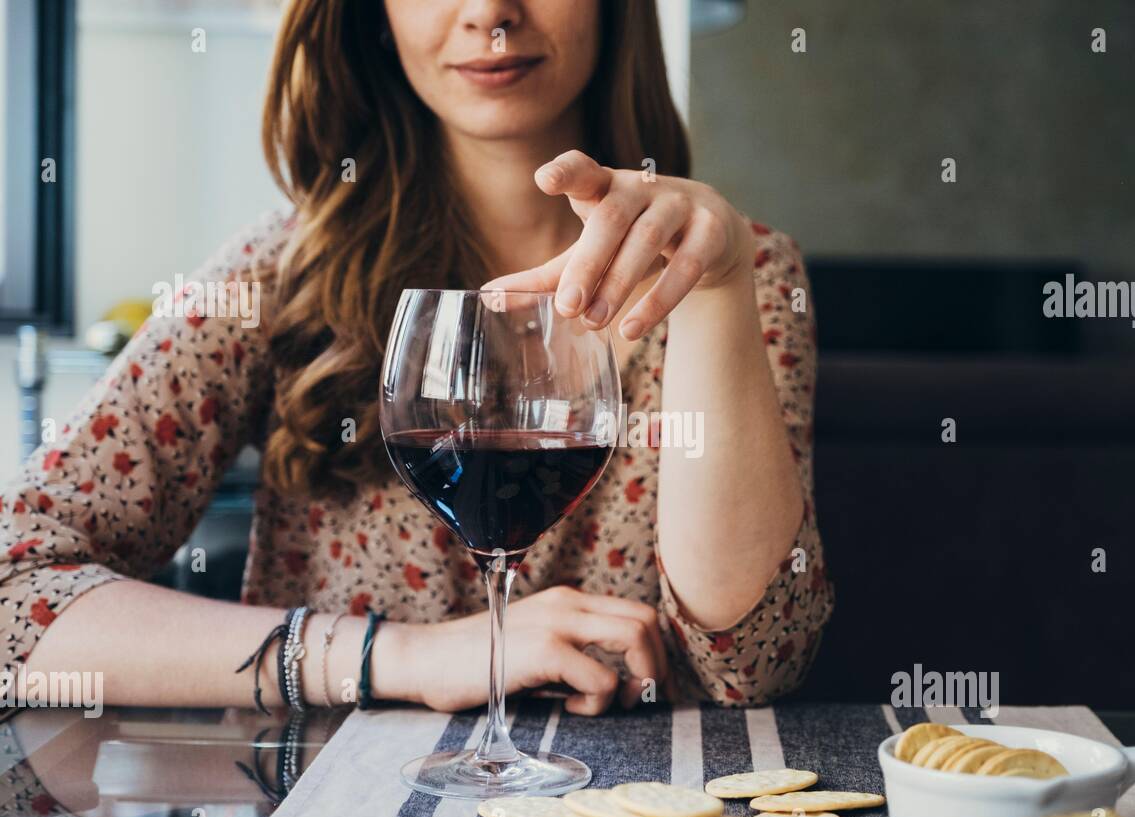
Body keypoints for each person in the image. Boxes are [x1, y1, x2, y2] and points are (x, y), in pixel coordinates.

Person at [0, 0, 832, 717]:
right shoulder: (275, 279)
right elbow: (13, 593)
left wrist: (714, 290)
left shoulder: (738, 272)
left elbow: (751, 667)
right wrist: (396, 658)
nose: (490, 13)